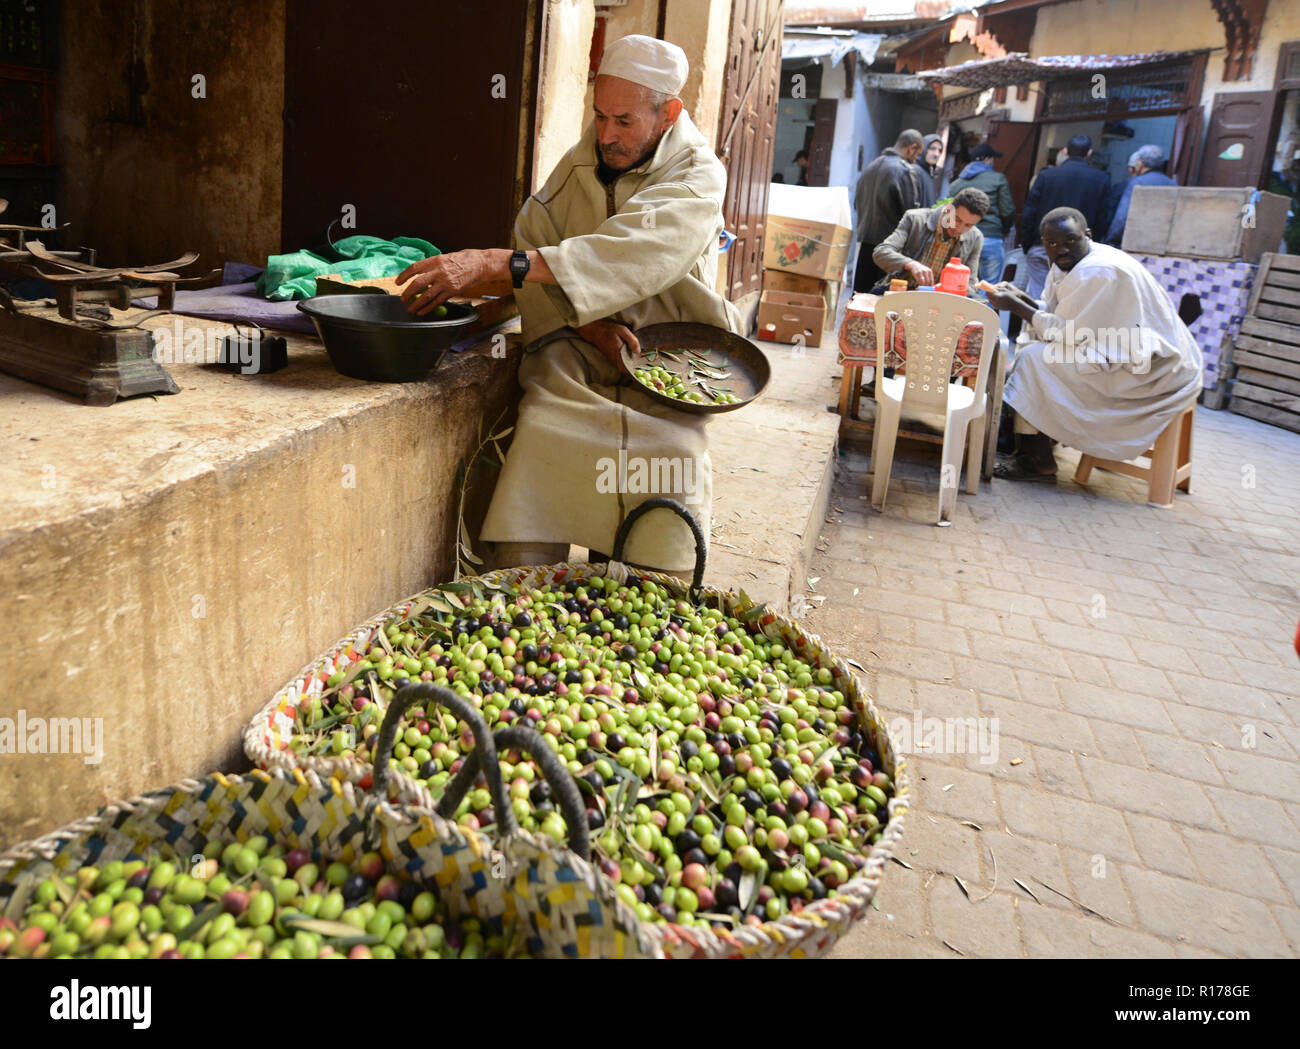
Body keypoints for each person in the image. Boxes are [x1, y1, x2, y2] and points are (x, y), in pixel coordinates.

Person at [395, 34, 741, 577]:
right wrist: (588, 324)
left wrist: (497, 263)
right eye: (599, 115)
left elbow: (632, 251)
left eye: (624, 122)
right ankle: (519, 599)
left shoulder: (697, 176)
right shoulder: (581, 163)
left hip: (671, 358)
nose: (605, 135)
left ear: (668, 113)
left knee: (668, 465)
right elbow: (536, 231)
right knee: (541, 438)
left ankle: (647, 594)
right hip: (581, 350)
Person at [985, 207, 1203, 482]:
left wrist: (1017, 307)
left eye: (1070, 241)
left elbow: (1068, 333)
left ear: (1087, 235)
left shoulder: (1098, 271)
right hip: (1121, 353)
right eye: (1052, 244)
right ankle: (1030, 439)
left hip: (1152, 372)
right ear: (1044, 242)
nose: (1061, 249)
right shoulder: (1070, 262)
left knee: (1033, 360)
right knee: (1034, 353)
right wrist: (1023, 299)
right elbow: (1062, 315)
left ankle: (1038, 460)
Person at [1019, 135, 1111, 300]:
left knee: (1036, 298)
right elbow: (1103, 218)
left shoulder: (1047, 175)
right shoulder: (1101, 179)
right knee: (1070, 299)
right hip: (1078, 251)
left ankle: (1035, 326)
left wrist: (1027, 244)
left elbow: (1029, 212)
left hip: (1042, 246)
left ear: (1066, 151)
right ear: (1089, 153)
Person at [871, 187, 989, 295]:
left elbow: (971, 282)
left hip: (939, 303)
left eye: (968, 225)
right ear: (948, 208)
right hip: (900, 292)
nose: (959, 228)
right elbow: (881, 252)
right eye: (957, 219)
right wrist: (911, 264)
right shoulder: (914, 219)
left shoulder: (976, 237)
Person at [852, 130, 924, 293]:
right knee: (884, 300)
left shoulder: (872, 165)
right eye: (917, 154)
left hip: (866, 242)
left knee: (860, 296)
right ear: (911, 148)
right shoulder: (904, 169)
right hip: (889, 247)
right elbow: (911, 214)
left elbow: (857, 203)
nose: (915, 159)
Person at [949, 143, 1015, 284]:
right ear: (987, 159)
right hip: (991, 237)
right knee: (988, 286)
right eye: (992, 159)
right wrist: (1004, 230)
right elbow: (1007, 210)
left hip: (962, 238)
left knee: (959, 283)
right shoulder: (998, 179)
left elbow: (948, 209)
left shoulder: (957, 183)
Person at [1104, 144, 1177, 246]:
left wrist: (1111, 240)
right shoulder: (1172, 184)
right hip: (1161, 243)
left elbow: (1122, 216)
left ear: (1141, 163)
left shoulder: (1138, 182)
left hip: (1136, 241)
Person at [915, 133, 947, 208]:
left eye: (940, 150)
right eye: (932, 148)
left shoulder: (929, 173)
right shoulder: (915, 171)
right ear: (923, 148)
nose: (937, 154)